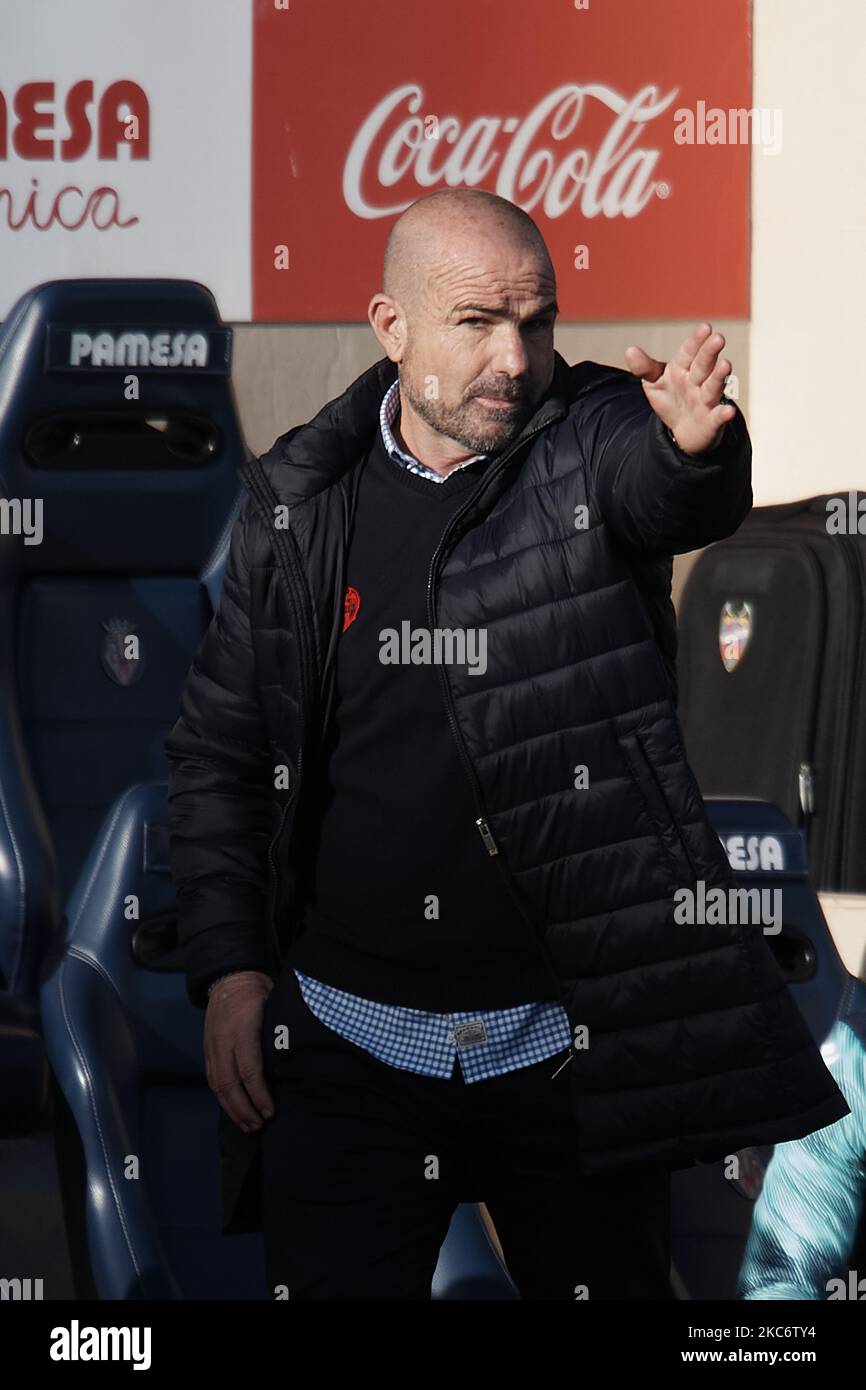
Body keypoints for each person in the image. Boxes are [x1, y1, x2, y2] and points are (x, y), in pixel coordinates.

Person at [165, 188, 849, 1301]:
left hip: (563, 1048)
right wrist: (234, 974)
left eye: (536, 322)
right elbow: (219, 754)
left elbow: (662, 489)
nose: (515, 358)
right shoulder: (297, 499)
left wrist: (691, 451)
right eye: (477, 322)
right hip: (350, 1045)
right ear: (392, 329)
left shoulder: (590, 436)